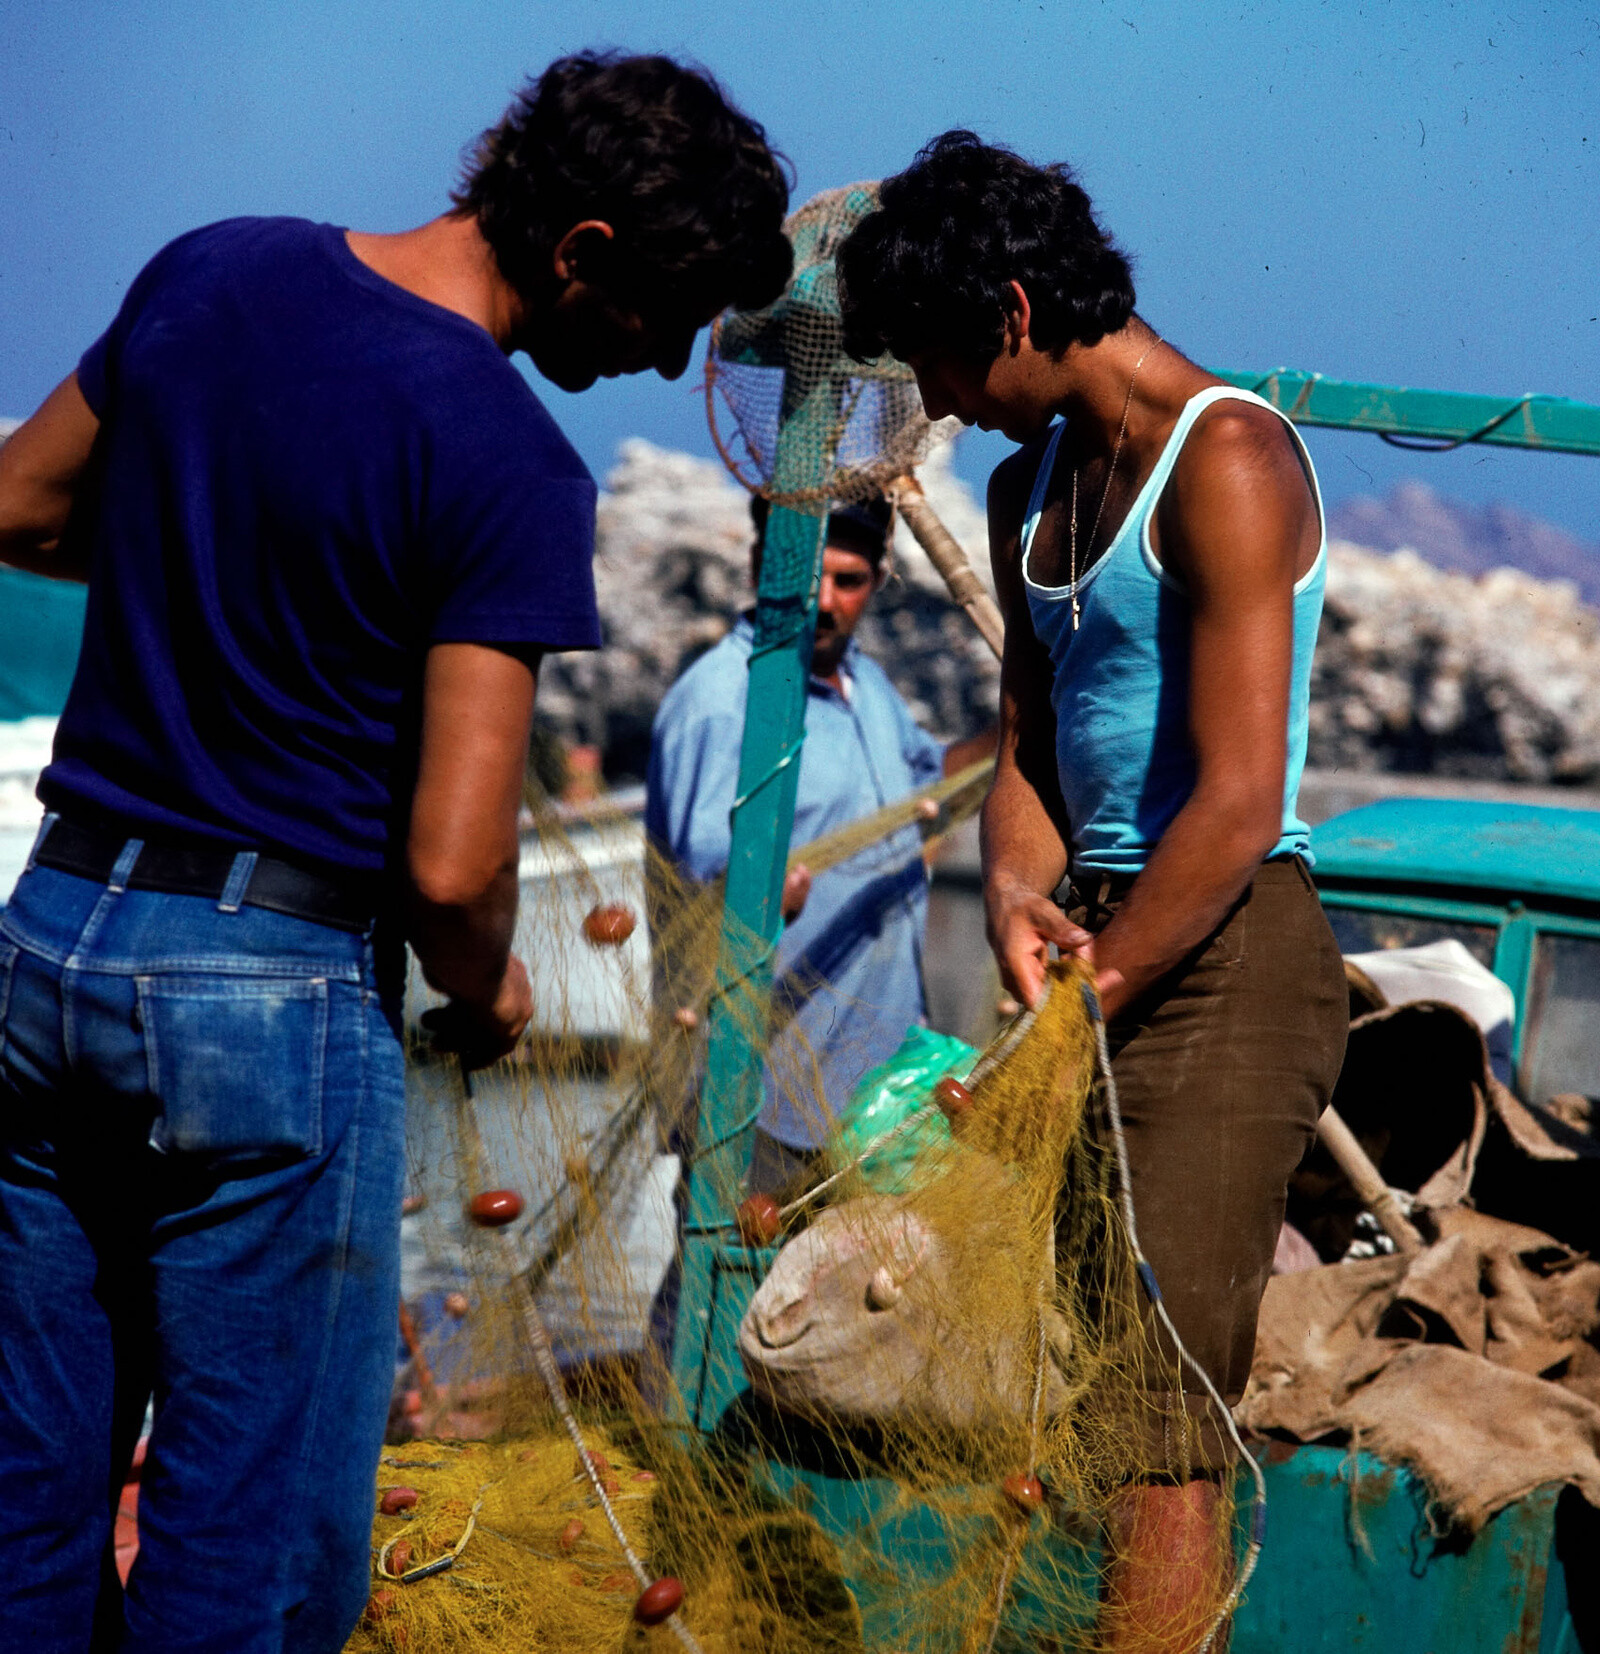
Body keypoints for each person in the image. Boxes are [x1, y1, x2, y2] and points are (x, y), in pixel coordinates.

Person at [0, 53, 789, 1654]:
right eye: (656, 314)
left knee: (30, 1495)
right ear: (581, 252)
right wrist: (494, 992)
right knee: (252, 1540)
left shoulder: (213, 264)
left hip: (50, 942)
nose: (648, 365)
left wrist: (194, 569)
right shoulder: (501, 456)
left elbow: (15, 504)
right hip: (267, 1004)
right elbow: (446, 867)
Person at [838, 132, 1347, 1648]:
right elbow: (1033, 755)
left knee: (1158, 1419)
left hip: (1230, 954)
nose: (926, 402)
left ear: (1009, 304)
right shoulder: (1025, 485)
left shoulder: (1230, 457)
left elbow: (1241, 798)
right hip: (1102, 955)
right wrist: (1009, 901)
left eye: (933, 356)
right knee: (1063, 1384)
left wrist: (1093, 993)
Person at [646, 493, 995, 1195]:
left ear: (880, 579)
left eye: (849, 581)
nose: (828, 603)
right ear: (758, 565)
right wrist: (763, 889)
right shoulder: (722, 700)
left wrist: (1024, 721)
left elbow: (936, 787)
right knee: (725, 1285)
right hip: (756, 1088)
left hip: (876, 1077)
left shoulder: (864, 685)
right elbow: (704, 872)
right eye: (810, 580)